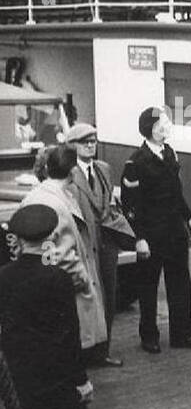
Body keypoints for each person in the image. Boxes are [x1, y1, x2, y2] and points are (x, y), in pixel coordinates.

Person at [0, 205, 93, 409]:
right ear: (50, 236)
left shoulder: (3, 277)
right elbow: (70, 336)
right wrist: (82, 381)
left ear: (18, 239)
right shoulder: (58, 279)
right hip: (58, 382)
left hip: (19, 384)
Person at [121, 107, 191, 354]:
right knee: (148, 285)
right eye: (164, 123)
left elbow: (176, 191)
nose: (168, 127)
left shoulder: (170, 153)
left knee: (181, 282)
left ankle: (183, 334)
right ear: (151, 128)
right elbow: (130, 205)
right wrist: (139, 238)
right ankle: (149, 336)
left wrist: (188, 217)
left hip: (174, 232)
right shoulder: (136, 162)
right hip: (151, 235)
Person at [66, 123, 145, 368]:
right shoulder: (68, 174)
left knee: (109, 296)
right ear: (72, 146)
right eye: (84, 142)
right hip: (82, 244)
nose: (90, 146)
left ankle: (103, 352)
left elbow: (110, 205)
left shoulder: (103, 169)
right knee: (86, 297)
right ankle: (83, 352)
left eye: (93, 141)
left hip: (107, 243)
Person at [22, 144, 108, 363]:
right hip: (61, 293)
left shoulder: (53, 195)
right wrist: (81, 279)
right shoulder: (52, 200)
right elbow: (53, 252)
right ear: (72, 170)